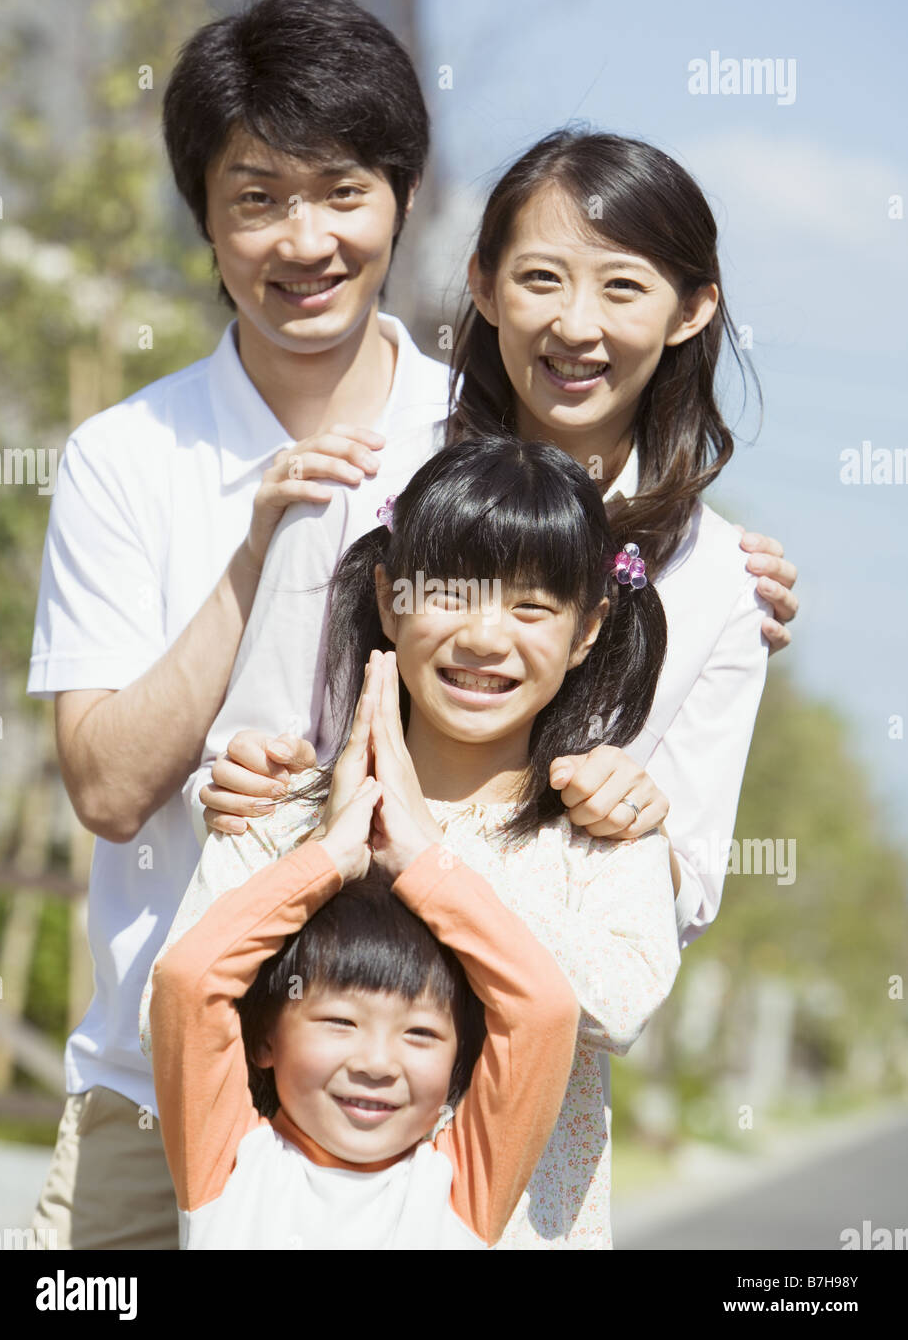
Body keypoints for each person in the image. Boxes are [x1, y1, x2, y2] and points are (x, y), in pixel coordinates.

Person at [26, 0, 441, 1250]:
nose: (303, 240)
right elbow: (103, 786)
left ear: (400, 199)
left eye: (340, 191)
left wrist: (699, 575)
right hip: (156, 1099)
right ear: (207, 223)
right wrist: (254, 555)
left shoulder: (478, 438)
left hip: (415, 1109)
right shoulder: (121, 455)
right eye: (257, 198)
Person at [191, 127, 797, 951]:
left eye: (623, 288)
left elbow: (684, 896)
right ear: (482, 283)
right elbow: (240, 776)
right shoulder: (353, 485)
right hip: (324, 1015)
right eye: (540, 279)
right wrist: (236, 784)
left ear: (691, 310)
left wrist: (634, 824)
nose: (576, 326)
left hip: (534, 1047)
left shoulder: (721, 584)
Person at [143, 437, 683, 1249]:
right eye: (449, 596)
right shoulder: (284, 816)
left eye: (532, 608)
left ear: (588, 632)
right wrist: (321, 860)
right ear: (390, 600)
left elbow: (616, 1004)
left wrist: (433, 862)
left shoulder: (605, 836)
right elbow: (177, 1016)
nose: (484, 638)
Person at [149, 774, 580, 1250]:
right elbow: (189, 980)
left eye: (419, 1033)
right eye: (340, 1022)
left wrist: (423, 865)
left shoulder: (458, 1192)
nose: (376, 1064)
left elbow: (545, 1009)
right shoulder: (228, 1163)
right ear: (265, 1038)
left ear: (460, 1060)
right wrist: (328, 860)